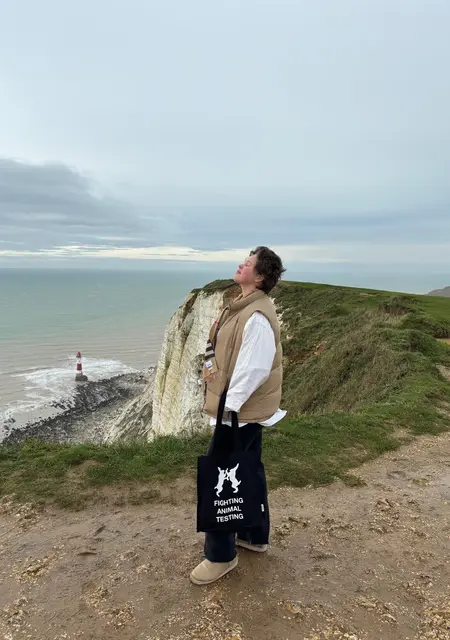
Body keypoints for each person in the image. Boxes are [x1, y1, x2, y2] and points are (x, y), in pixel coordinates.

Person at [190, 246, 286, 585]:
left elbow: (254, 369)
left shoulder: (256, 316)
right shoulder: (242, 307)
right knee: (249, 470)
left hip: (238, 413)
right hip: (243, 412)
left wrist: (228, 408)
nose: (241, 264)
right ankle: (253, 535)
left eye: (248, 263)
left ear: (259, 277)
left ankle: (220, 556)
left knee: (220, 480)